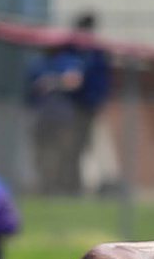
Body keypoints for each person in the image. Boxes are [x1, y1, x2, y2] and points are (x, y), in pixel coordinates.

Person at [27, 13, 110, 197]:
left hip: (77, 111)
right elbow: (33, 88)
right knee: (44, 154)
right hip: (46, 115)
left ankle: (70, 188)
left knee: (71, 152)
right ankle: (49, 188)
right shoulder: (45, 60)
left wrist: (53, 82)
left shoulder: (84, 55)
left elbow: (74, 80)